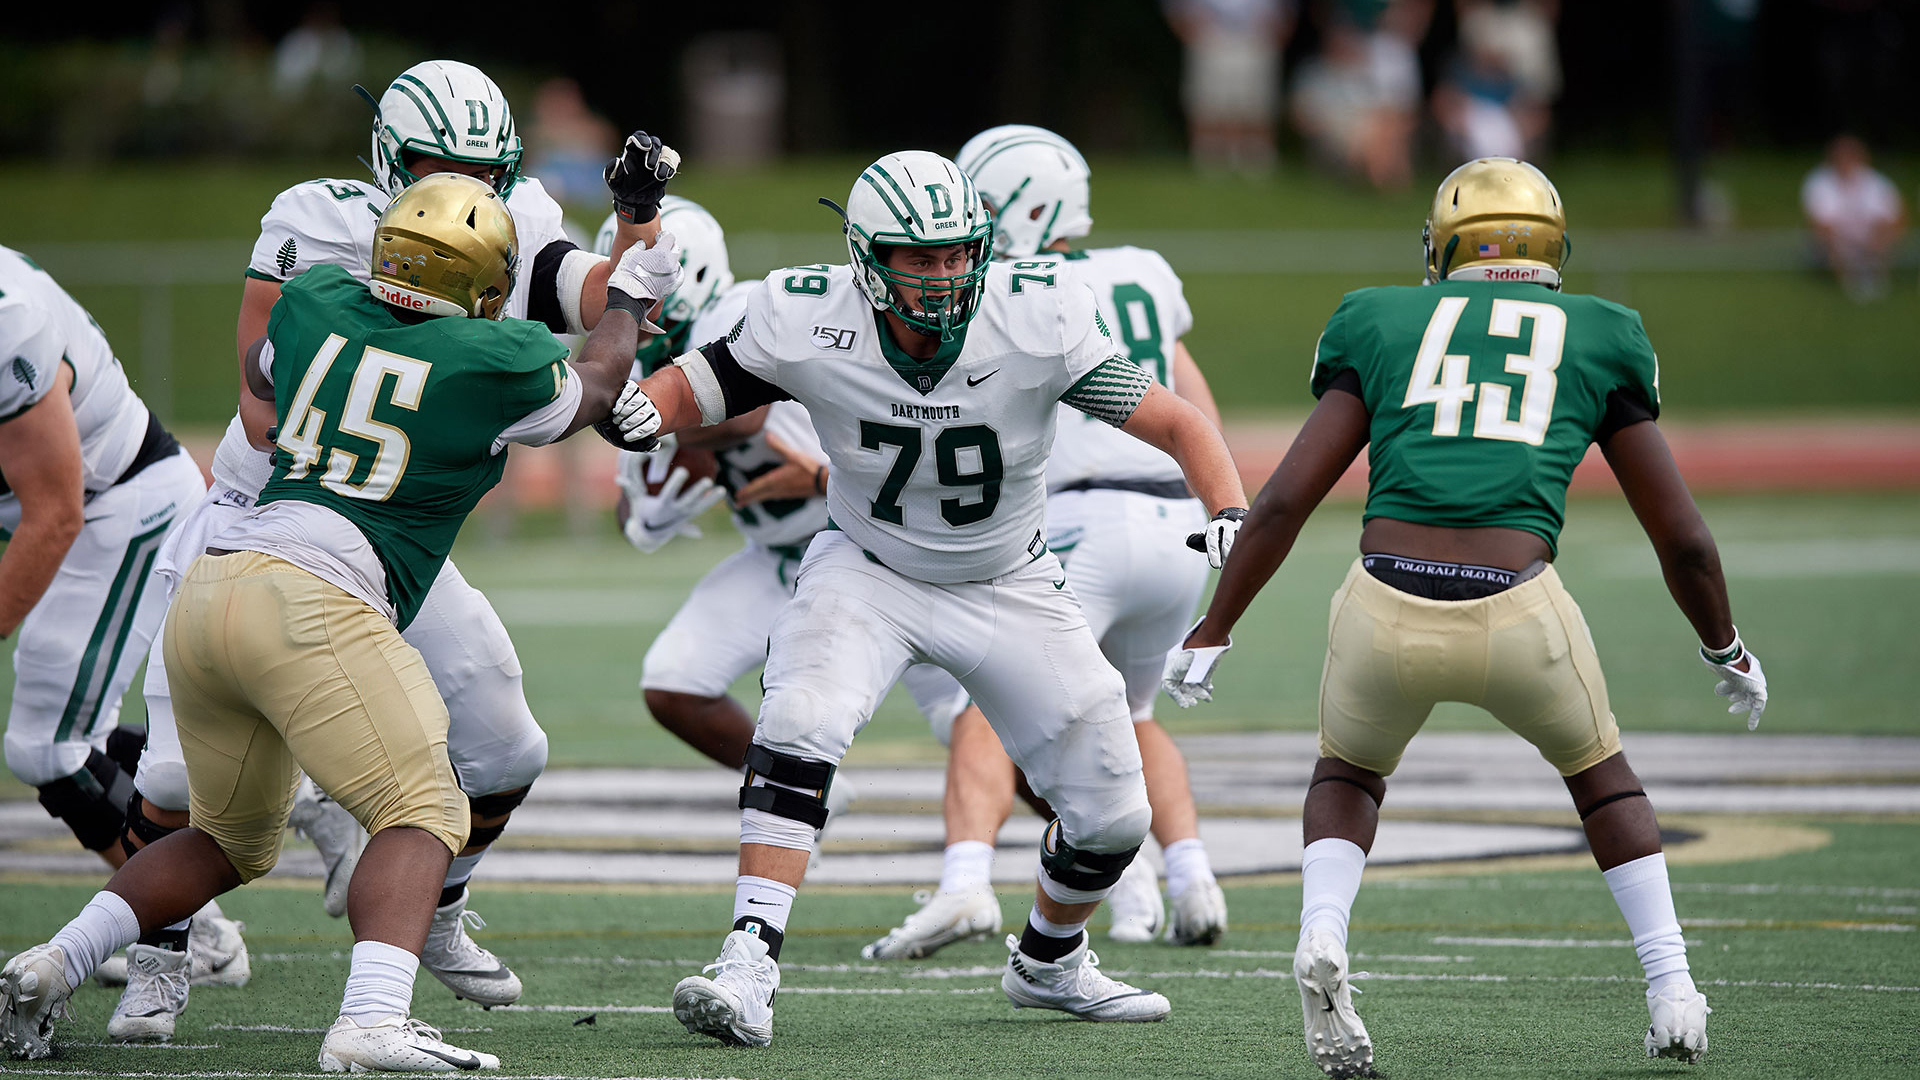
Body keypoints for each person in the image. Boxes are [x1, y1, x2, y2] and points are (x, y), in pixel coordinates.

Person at [0, 171, 683, 1072]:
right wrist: (630, 298)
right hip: (319, 596)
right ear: (483, 284)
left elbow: (260, 371)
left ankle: (54, 962)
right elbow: (597, 384)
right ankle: (370, 1017)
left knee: (222, 840)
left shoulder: (318, 297)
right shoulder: (496, 358)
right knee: (425, 807)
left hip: (215, 583)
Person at [605, 149, 1249, 1047]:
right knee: (800, 717)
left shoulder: (1035, 312)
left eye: (956, 253)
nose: (943, 276)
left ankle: (1050, 963)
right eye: (919, 257)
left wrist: (1227, 506)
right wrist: (646, 411)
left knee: (1115, 814)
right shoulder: (807, 313)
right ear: (867, 258)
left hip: (1010, 576)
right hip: (870, 567)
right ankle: (747, 960)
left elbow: (1176, 419)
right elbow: (705, 383)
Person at [1162, 157, 1766, 1077]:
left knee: (1349, 777)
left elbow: (1283, 499)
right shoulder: (1604, 332)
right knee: (1604, 784)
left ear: (1445, 247)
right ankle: (1673, 986)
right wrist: (1723, 644)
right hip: (1519, 609)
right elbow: (1680, 535)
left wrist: (1215, 627)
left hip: (1381, 602)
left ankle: (1324, 930)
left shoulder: (1378, 317)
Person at [863, 126, 1229, 962]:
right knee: (1132, 715)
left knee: (987, 708)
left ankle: (963, 882)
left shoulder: (1015, 289)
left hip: (1077, 523)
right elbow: (1190, 405)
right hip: (1173, 522)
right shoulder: (1144, 270)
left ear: (1022, 207)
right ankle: (1189, 877)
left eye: (984, 209)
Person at [595, 201, 967, 783]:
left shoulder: (740, 309)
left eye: (643, 280)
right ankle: (805, 792)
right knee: (675, 683)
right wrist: (651, 464)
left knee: (968, 722)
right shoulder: (651, 358)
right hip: (783, 556)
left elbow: (741, 417)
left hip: (885, 547)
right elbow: (636, 518)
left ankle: (1103, 860)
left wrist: (654, 426)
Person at [0, 247, 206, 875]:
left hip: (119, 506)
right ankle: (280, 788)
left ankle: (185, 929)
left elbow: (56, 514)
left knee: (50, 748)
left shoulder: (9, 325)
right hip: (56, 512)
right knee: (70, 729)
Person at [1802, 134, 1908, 302]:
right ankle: (1849, 279)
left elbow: (1894, 218)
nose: (1846, 161)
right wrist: (1845, 245)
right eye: (1841, 156)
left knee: (1884, 230)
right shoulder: (1819, 182)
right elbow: (1821, 223)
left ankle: (1874, 274)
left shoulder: (1876, 182)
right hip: (1839, 239)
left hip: (1869, 239)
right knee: (1830, 238)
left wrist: (1875, 243)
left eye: (1850, 156)